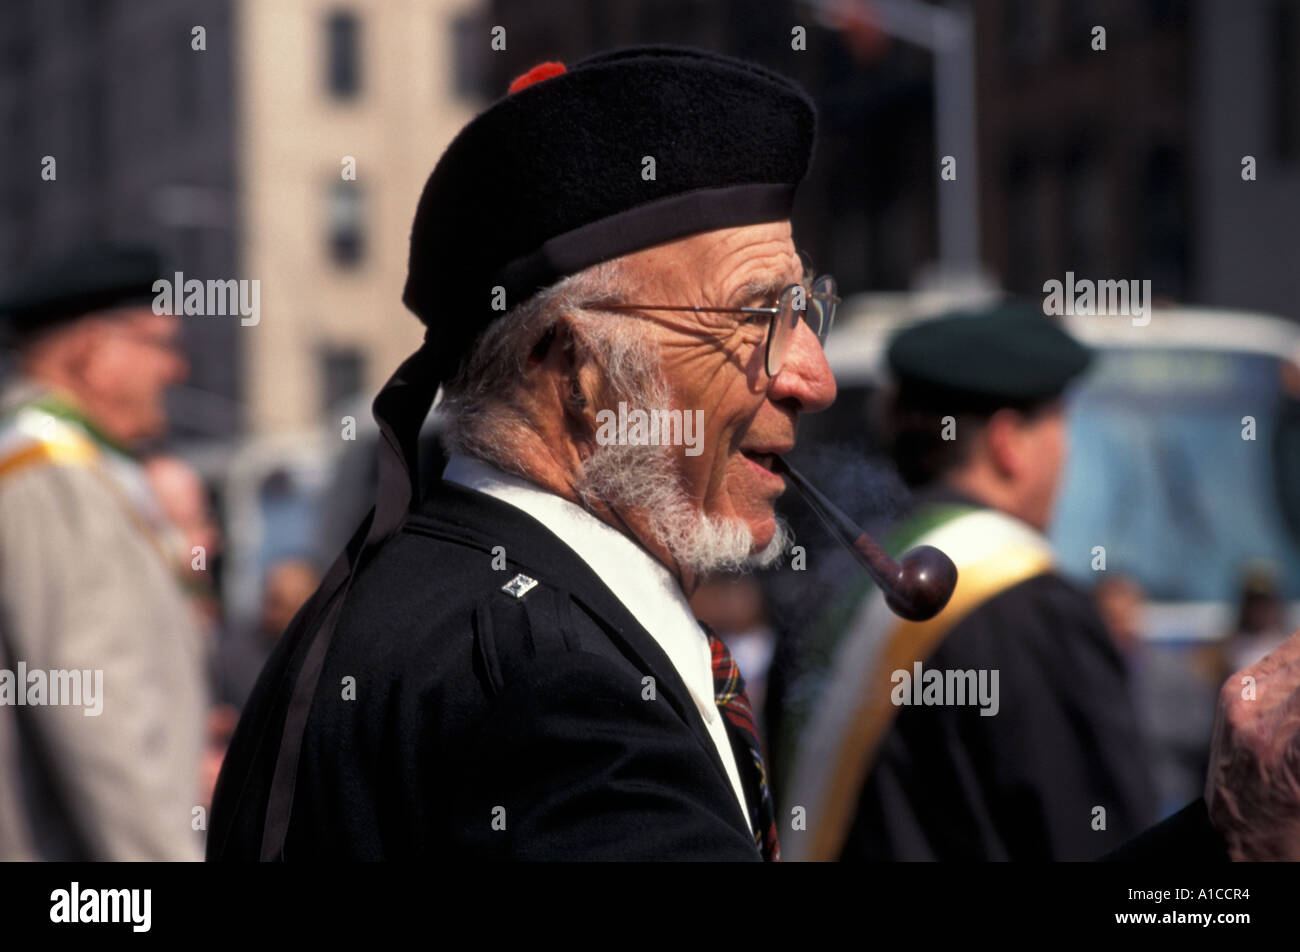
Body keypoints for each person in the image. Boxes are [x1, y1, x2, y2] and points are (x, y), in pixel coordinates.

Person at [210, 50, 1300, 862]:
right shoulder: (545, 680)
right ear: (577, 370)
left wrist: (1223, 837)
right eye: (757, 317)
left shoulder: (437, 596)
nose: (811, 376)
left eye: (806, 311)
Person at [779, 304, 1156, 860]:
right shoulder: (1034, 611)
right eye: (1059, 427)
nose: (1067, 451)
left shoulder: (825, 591)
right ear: (1009, 443)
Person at [0, 244, 209, 860]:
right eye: (159, 344)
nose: (175, 370)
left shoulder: (76, 469)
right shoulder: (47, 472)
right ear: (93, 352)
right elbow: (95, 710)